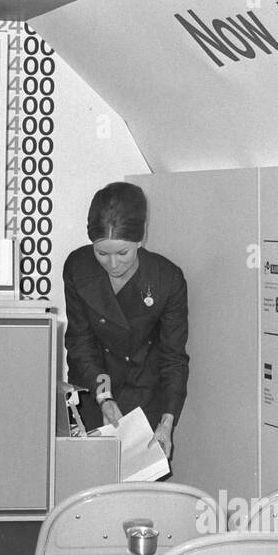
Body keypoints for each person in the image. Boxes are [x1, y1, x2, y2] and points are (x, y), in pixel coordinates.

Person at [62, 181, 189, 459]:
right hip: (95, 389)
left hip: (144, 396)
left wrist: (167, 422)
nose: (113, 264)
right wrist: (105, 396)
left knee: (137, 493)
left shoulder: (166, 279)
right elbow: (81, 343)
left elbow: (173, 357)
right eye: (101, 253)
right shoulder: (77, 268)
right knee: (89, 482)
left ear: (140, 239)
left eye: (123, 253)